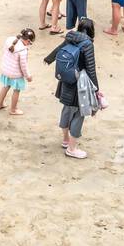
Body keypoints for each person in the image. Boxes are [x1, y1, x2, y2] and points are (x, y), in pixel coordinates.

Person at [44, 16, 99, 160]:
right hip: (79, 85)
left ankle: (65, 140)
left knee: (66, 110)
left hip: (65, 82)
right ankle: (72, 148)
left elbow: (58, 50)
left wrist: (48, 59)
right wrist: (96, 89)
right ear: (91, 31)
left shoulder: (71, 37)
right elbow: (91, 69)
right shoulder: (87, 44)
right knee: (79, 115)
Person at [0, 28, 35, 116]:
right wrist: (28, 76)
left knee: (6, 86)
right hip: (15, 74)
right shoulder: (23, 51)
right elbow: (23, 66)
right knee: (17, 90)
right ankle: (13, 110)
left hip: (6, 69)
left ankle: (0, 104)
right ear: (28, 40)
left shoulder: (9, 40)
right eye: (30, 43)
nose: (29, 45)